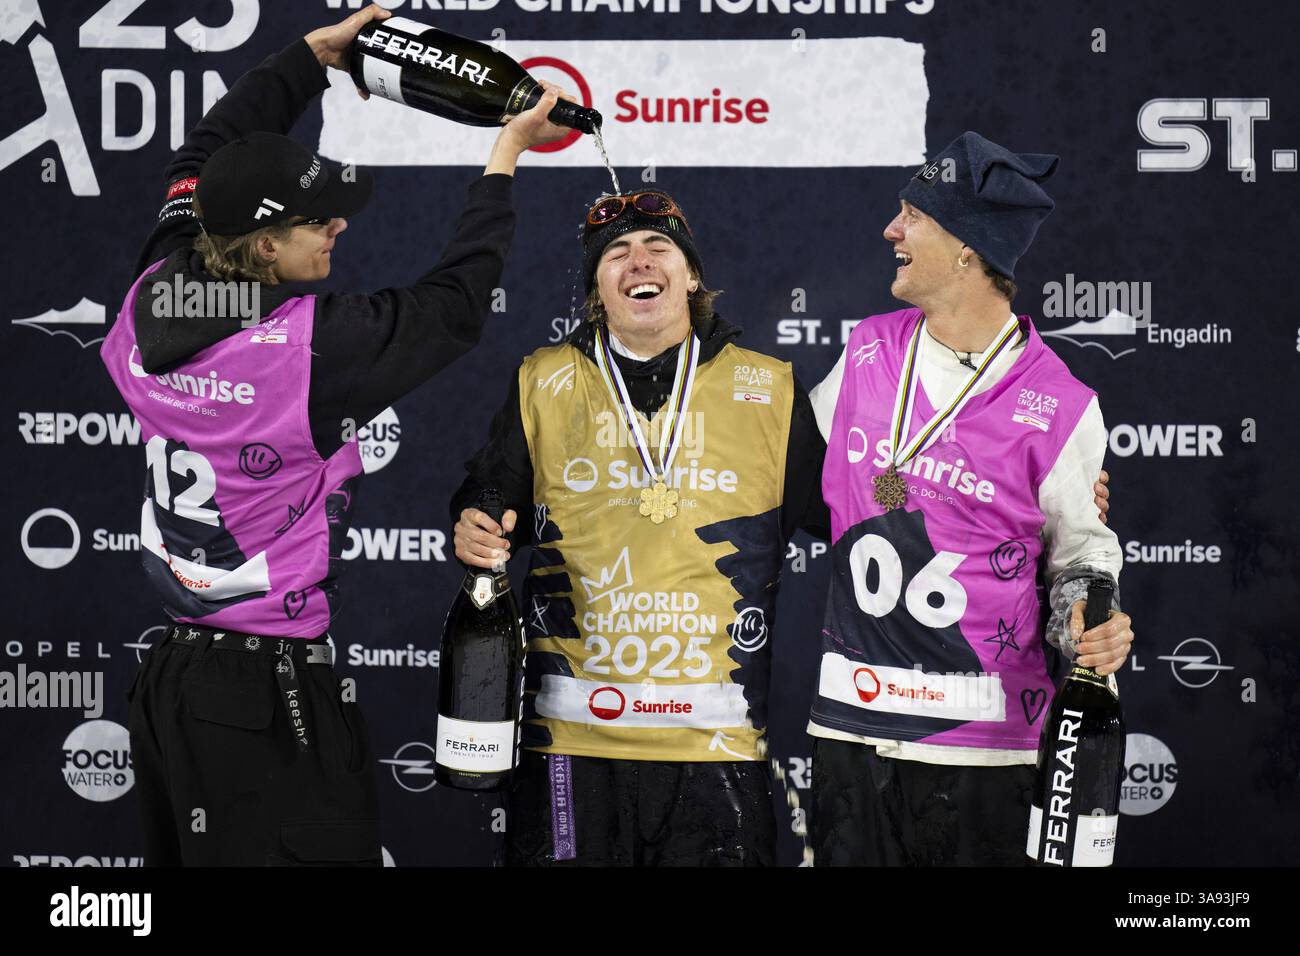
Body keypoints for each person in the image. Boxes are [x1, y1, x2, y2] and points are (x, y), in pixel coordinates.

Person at [99, 4, 572, 865]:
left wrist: (311, 58)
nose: (339, 228)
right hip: (263, 690)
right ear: (268, 244)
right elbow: (455, 307)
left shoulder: (154, 291)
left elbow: (204, 154)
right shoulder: (305, 353)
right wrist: (503, 160)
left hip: (170, 684)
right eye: (319, 222)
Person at [450, 191, 831, 866]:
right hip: (571, 741)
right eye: (616, 254)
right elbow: (491, 492)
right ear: (597, 286)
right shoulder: (544, 380)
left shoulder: (768, 388)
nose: (638, 262)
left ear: (690, 276)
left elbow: (847, 511)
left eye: (659, 248)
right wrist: (474, 521)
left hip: (714, 746)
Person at [807, 131, 1135, 866]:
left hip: (983, 751)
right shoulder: (867, 349)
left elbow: (1081, 560)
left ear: (965, 248)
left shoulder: (1061, 404)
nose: (891, 230)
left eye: (911, 216)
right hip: (852, 736)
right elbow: (795, 481)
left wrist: (1089, 623)